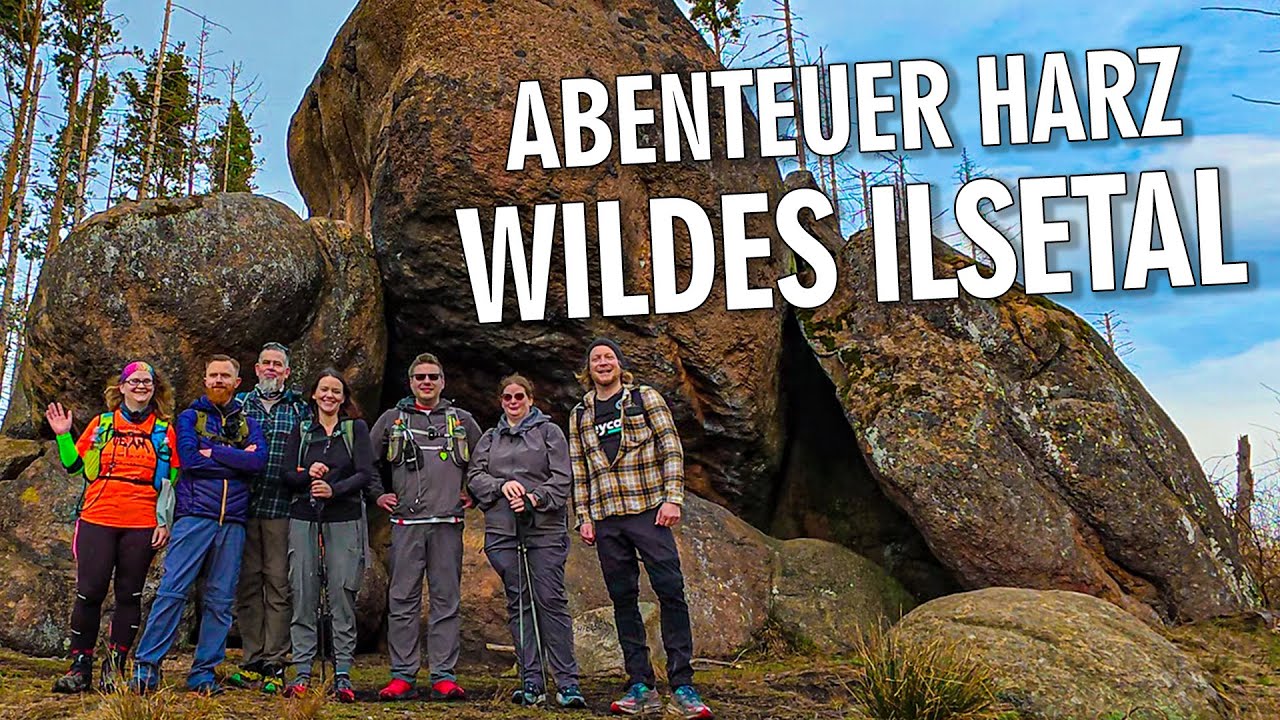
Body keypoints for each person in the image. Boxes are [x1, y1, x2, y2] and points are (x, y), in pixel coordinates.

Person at [568, 338, 713, 719]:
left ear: (619, 364)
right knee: (623, 599)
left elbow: (671, 447)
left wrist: (673, 498)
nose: (603, 362)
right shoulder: (580, 414)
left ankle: (683, 684)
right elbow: (579, 469)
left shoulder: (643, 398)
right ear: (588, 368)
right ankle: (640, 686)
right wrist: (583, 516)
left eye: (609, 357)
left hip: (648, 510)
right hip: (607, 517)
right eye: (596, 357)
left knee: (670, 591)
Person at [130, 355, 268, 696]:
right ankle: (147, 668)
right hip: (194, 516)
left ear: (238, 382)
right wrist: (234, 458)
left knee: (221, 601)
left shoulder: (249, 422)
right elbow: (189, 460)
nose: (219, 380)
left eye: (226, 375)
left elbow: (258, 462)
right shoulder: (190, 417)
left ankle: (203, 673)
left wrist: (214, 453)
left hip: (232, 521)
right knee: (173, 591)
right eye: (213, 375)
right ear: (204, 380)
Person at [46, 361, 179, 694]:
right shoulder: (102, 424)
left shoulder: (164, 431)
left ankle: (115, 668)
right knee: (89, 591)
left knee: (129, 595)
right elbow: (74, 466)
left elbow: (171, 481)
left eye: (146, 382)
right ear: (120, 387)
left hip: (142, 522)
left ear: (155, 388)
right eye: (133, 381)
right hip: (97, 518)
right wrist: (64, 435)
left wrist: (164, 522)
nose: (140, 386)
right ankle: (80, 666)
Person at [467, 374, 587, 709]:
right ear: (501, 401)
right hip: (503, 532)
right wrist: (502, 486)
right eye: (507, 397)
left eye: (519, 396)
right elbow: (475, 477)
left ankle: (567, 682)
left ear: (531, 399)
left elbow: (562, 478)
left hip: (544, 530)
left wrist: (534, 498)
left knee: (549, 599)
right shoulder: (491, 437)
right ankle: (531, 680)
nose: (513, 401)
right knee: (519, 602)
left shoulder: (550, 433)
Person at [368, 352, 481, 701]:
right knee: (402, 600)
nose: (427, 382)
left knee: (446, 600)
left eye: (433, 376)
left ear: (443, 382)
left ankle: (443, 675)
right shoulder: (392, 419)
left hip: (448, 523)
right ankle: (402, 675)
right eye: (420, 377)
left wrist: (473, 492)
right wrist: (378, 494)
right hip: (406, 524)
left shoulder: (461, 421)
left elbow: (485, 460)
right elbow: (366, 460)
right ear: (411, 382)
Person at [279, 368, 373, 703]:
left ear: (344, 397)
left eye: (336, 391)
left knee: (341, 591)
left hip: (344, 518)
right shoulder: (303, 430)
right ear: (314, 395)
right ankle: (302, 670)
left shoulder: (355, 429)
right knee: (303, 589)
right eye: (324, 390)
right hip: (305, 517)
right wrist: (309, 477)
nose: (329, 396)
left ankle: (343, 672)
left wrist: (334, 488)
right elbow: (287, 475)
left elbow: (366, 473)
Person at [229, 342, 312, 693]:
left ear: (288, 372)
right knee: (247, 584)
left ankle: (276, 661)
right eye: (266, 363)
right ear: (256, 369)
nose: (271, 369)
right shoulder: (239, 406)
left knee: (279, 584)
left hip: (283, 508)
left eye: (278, 364)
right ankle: (252, 658)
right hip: (243, 507)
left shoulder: (300, 410)